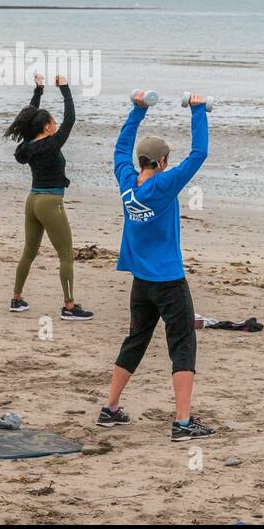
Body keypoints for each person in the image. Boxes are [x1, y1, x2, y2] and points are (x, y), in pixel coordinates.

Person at [98, 90, 214, 441]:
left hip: (141, 281)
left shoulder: (125, 179)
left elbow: (120, 148)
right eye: (167, 159)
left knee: (137, 339)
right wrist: (197, 111)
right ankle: (182, 424)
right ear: (162, 161)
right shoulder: (164, 185)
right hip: (168, 281)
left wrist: (137, 109)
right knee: (182, 346)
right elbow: (200, 154)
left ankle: (111, 408)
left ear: (140, 161)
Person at [3, 73, 91, 320]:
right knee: (66, 254)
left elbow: (30, 118)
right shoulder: (52, 144)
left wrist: (39, 90)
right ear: (46, 127)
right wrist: (65, 88)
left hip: (32, 201)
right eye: (52, 121)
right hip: (51, 203)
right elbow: (71, 118)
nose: (55, 123)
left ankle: (17, 299)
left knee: (29, 252)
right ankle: (70, 307)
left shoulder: (27, 146)